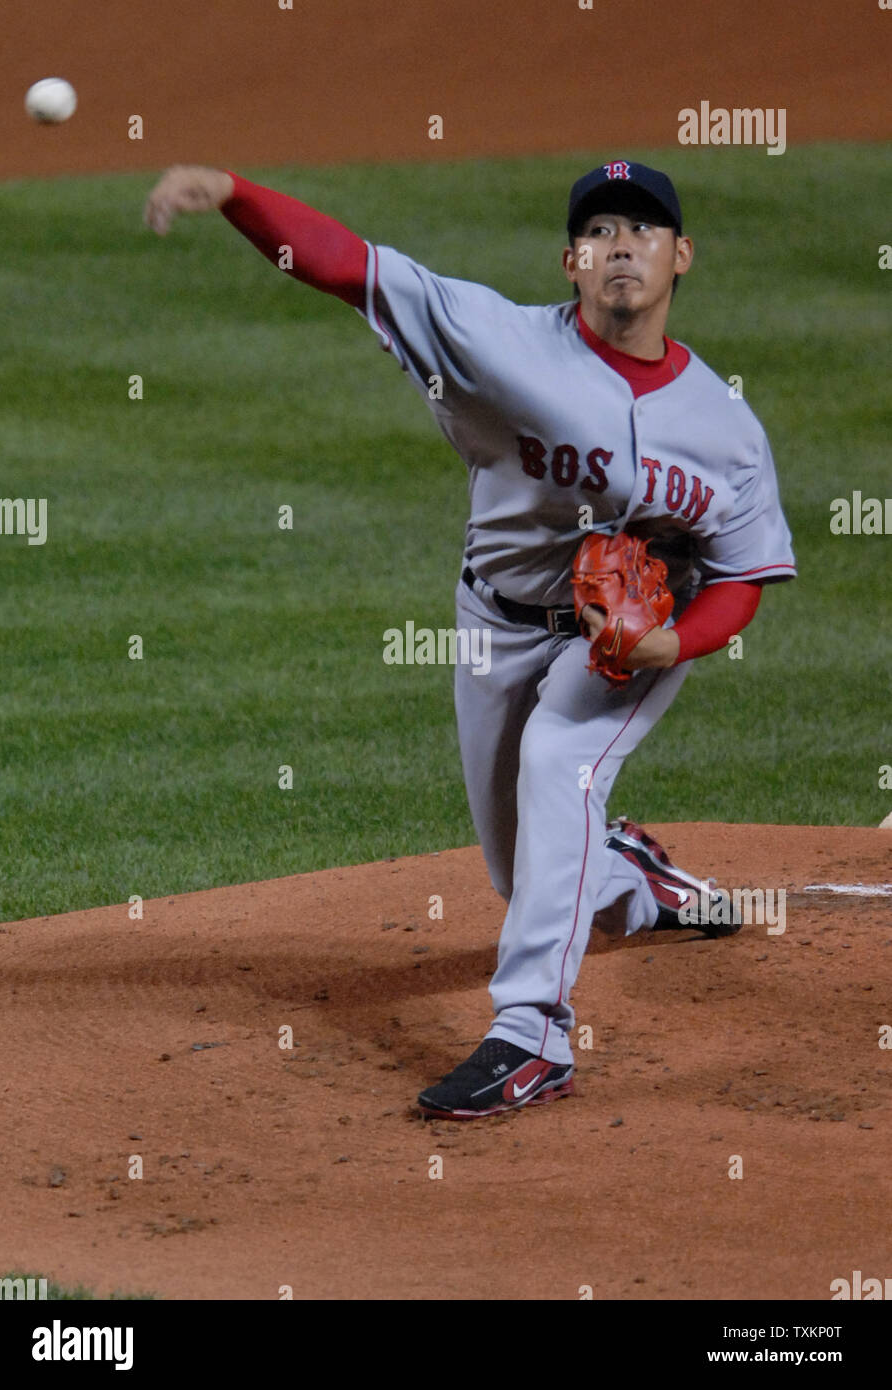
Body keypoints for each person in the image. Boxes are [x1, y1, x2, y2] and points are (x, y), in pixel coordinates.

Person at [144, 159, 796, 1120]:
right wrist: (238, 194)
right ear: (570, 261)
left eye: (645, 230)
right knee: (511, 861)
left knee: (558, 768)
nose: (622, 244)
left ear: (681, 257)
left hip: (617, 646)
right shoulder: (491, 336)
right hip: (493, 618)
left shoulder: (726, 427)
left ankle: (532, 1036)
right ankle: (633, 884)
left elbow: (741, 575)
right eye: (601, 231)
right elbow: (347, 266)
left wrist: (674, 644)